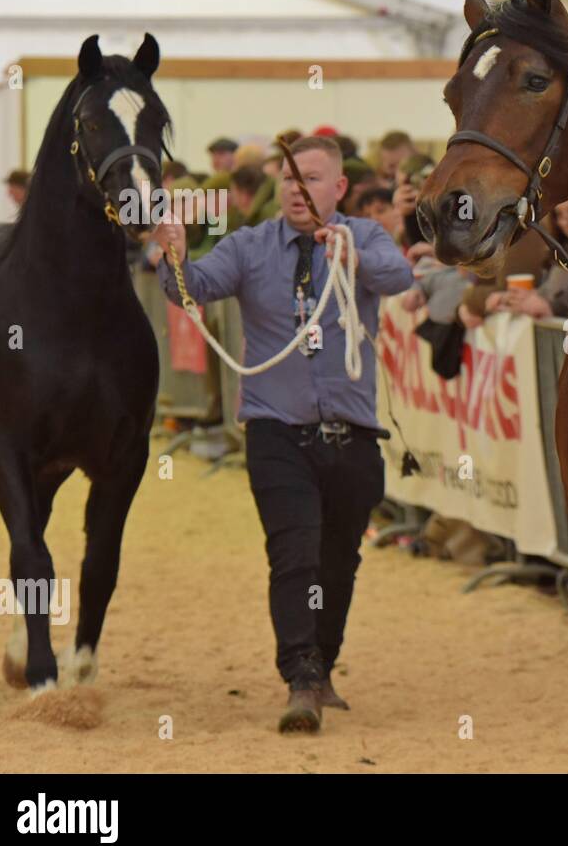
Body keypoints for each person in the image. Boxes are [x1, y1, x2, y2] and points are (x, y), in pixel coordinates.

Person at [150, 135, 413, 734]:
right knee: (293, 553)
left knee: (338, 561)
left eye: (313, 178)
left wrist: (352, 260)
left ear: (339, 188)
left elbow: (397, 275)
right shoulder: (249, 246)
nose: (299, 190)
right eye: (290, 180)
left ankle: (322, 665)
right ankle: (299, 676)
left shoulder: (362, 237)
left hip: (353, 434)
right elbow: (192, 290)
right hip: (276, 432)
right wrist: (176, 257)